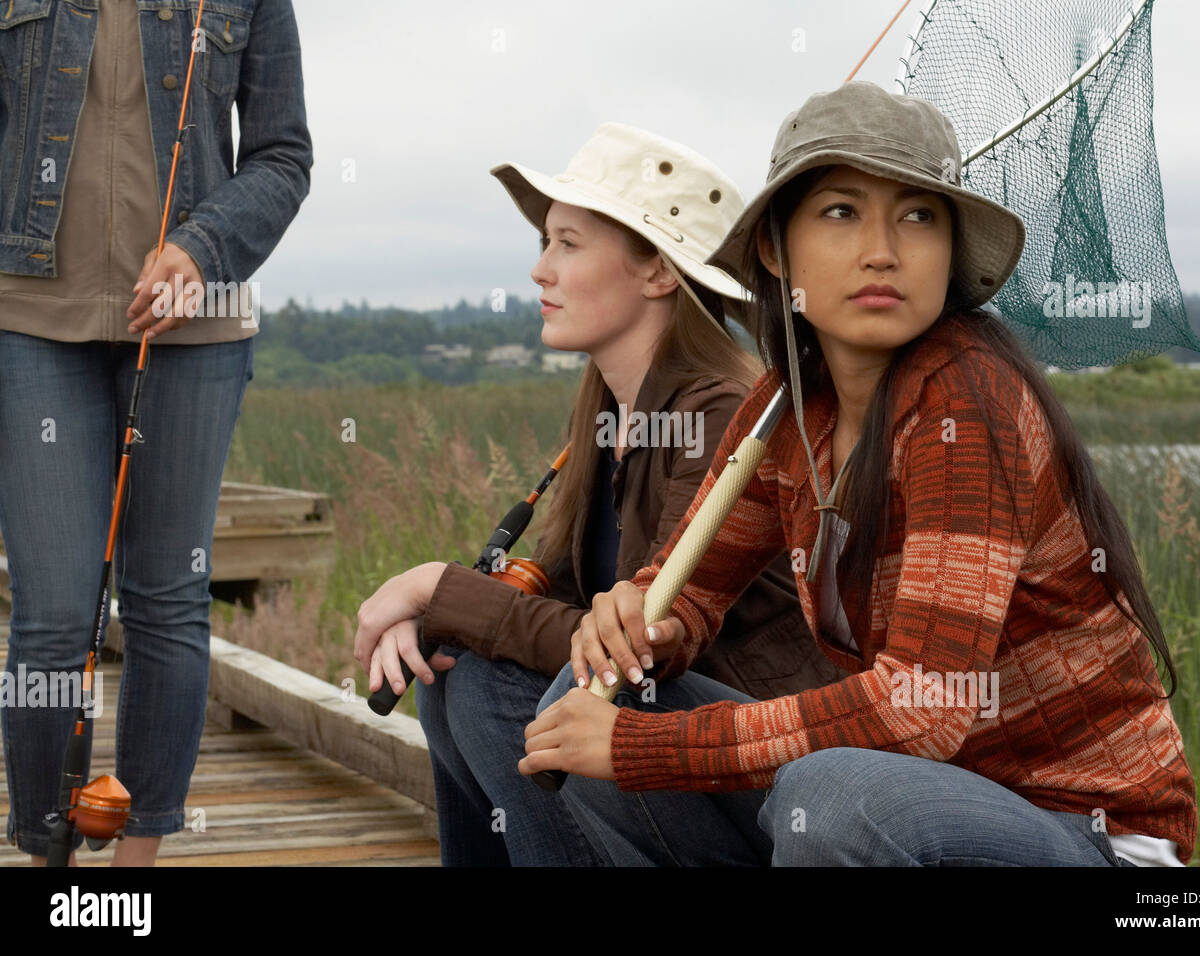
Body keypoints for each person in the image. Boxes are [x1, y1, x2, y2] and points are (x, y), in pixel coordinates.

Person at [518, 82, 1198, 867]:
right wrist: (645, 619)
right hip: (906, 801)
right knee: (583, 704)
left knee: (827, 794)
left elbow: (923, 709)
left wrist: (648, 749)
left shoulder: (968, 401)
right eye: (840, 213)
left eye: (918, 216)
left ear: (949, 252)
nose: (883, 250)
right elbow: (693, 595)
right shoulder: (787, 406)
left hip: (1082, 833)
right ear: (776, 248)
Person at [352, 122, 841, 865]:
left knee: (500, 689)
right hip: (670, 751)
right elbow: (565, 594)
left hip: (763, 773)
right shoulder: (613, 411)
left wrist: (433, 587)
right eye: (545, 243)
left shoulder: (722, 420)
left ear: (658, 274)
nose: (539, 271)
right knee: (451, 670)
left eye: (567, 244)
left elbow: (630, 649)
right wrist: (436, 618)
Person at [0, 0, 311, 865]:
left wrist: (202, 248)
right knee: (54, 615)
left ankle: (134, 873)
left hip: (196, 327)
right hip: (27, 320)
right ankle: (47, 858)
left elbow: (285, 155)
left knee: (167, 601)